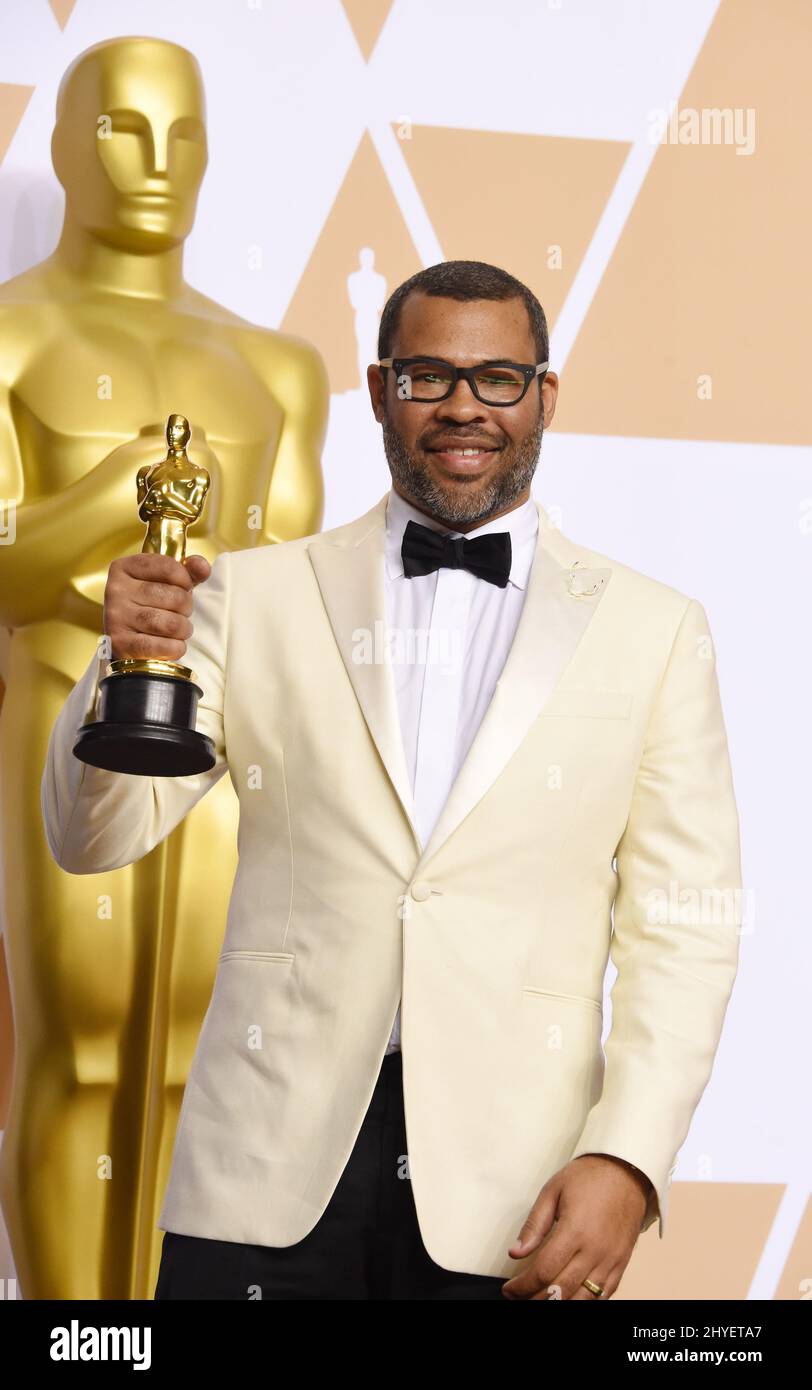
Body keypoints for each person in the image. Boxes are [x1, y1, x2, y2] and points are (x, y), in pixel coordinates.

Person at [41, 260, 742, 1301]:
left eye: (497, 378)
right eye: (428, 376)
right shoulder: (251, 594)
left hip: (517, 1195)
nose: (463, 406)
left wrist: (628, 1157)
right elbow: (93, 837)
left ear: (543, 397)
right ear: (378, 392)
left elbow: (685, 930)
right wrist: (123, 661)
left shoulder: (652, 629)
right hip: (259, 1180)